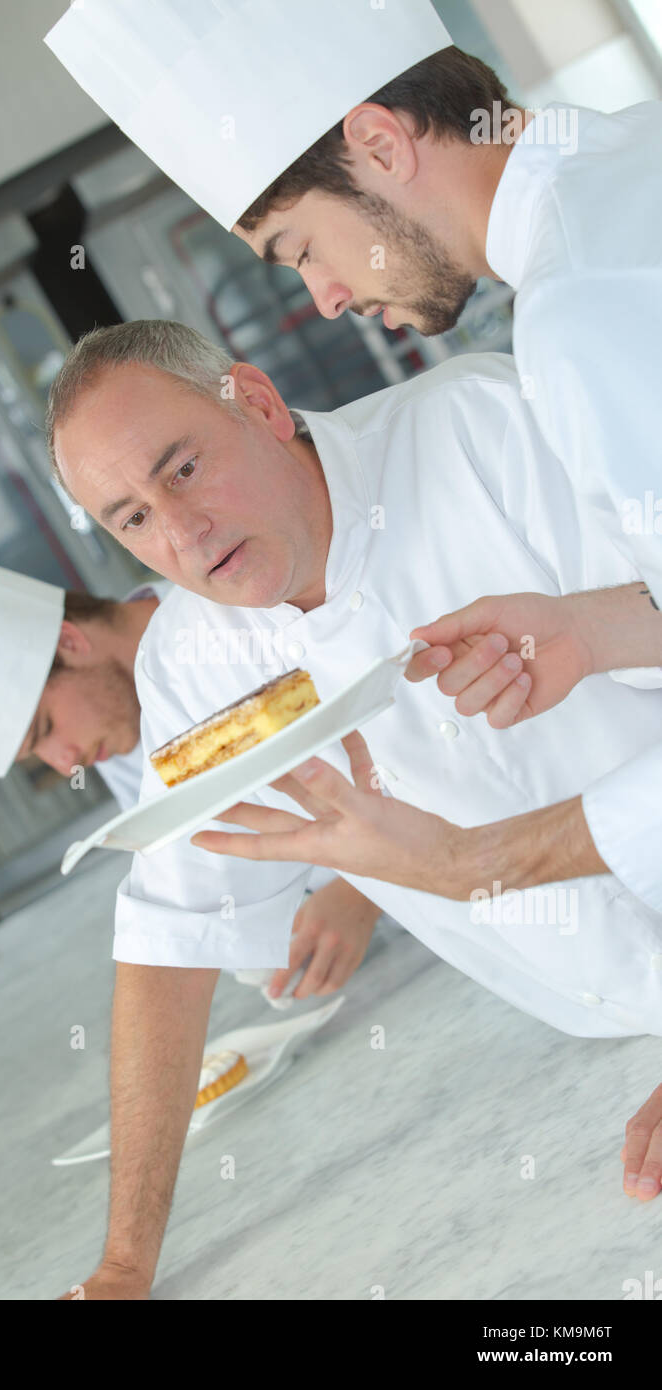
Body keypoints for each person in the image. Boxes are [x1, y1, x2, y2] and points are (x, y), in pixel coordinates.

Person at [45, 319, 662, 1300]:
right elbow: (172, 935)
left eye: (184, 467)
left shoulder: (475, 427)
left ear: (253, 401)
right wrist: (124, 1265)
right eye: (130, 518)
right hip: (597, 1050)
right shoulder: (192, 660)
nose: (182, 534)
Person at [44, 3, 662, 941]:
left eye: (300, 248)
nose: (327, 297)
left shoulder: (576, 314)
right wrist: (585, 626)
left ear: (379, 143)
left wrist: (470, 865)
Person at [0, 536, 375, 1003]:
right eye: (38, 757)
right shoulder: (119, 738)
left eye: (45, 729)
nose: (65, 762)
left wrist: (359, 893)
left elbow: (425, 731)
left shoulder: (242, 611)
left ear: (69, 640)